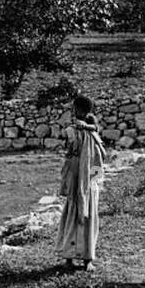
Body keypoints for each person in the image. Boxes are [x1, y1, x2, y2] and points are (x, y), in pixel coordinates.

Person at [56, 96, 106, 271]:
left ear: (77, 110)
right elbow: (100, 160)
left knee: (72, 213)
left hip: (76, 179)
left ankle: (69, 257)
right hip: (90, 183)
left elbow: (67, 154)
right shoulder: (94, 134)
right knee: (89, 214)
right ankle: (87, 259)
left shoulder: (71, 131)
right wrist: (95, 184)